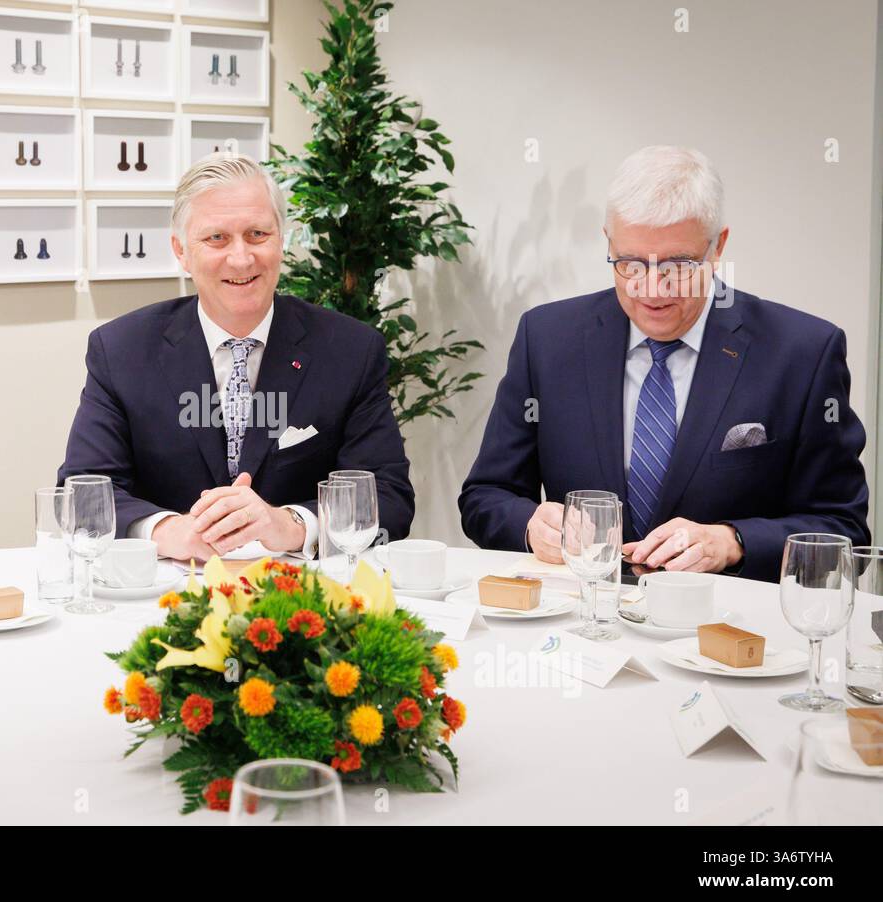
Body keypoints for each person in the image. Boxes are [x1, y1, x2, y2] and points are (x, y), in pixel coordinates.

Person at [459, 146, 869, 582]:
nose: (652, 290)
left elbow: (841, 530)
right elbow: (487, 495)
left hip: (730, 634)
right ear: (609, 242)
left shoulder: (802, 352)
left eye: (677, 264)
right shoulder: (546, 338)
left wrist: (734, 542)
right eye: (630, 264)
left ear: (718, 247)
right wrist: (529, 525)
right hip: (583, 628)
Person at [59, 153, 414, 561]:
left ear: (282, 240)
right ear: (181, 251)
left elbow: (390, 496)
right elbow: (82, 493)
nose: (242, 258)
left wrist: (293, 524)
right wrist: (168, 530)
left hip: (304, 599)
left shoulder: (351, 350)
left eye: (258, 234)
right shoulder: (121, 350)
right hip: (163, 593)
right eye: (217, 238)